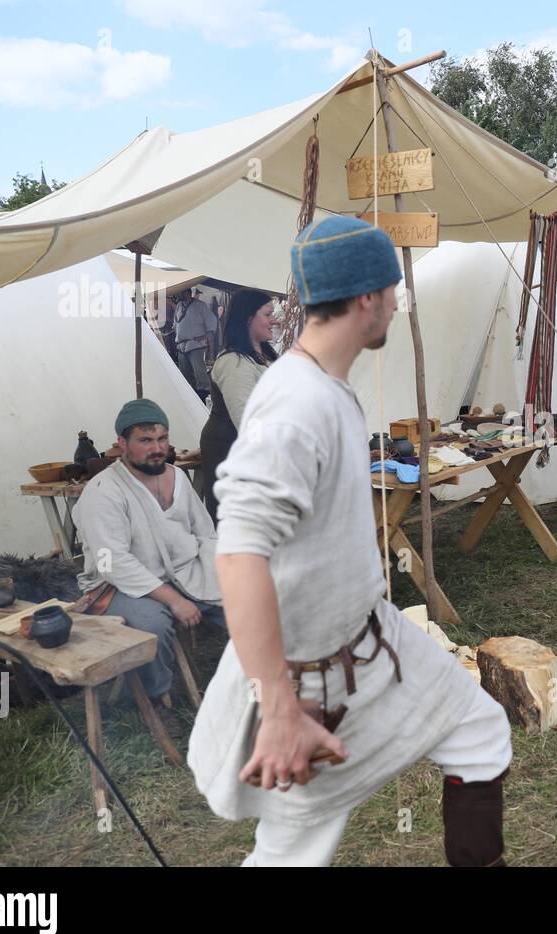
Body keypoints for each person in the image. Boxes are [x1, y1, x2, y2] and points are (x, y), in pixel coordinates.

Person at [188, 215, 512, 867]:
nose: (397, 301)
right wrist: (279, 710)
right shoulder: (294, 405)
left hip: (375, 642)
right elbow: (238, 551)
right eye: (392, 289)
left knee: (480, 732)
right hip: (312, 684)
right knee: (293, 849)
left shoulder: (325, 387)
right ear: (367, 298)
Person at [74, 399, 224, 706]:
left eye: (162, 439)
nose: (157, 448)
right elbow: (114, 562)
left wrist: (220, 573)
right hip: (121, 585)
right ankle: (154, 700)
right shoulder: (104, 492)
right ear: (122, 444)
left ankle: (259, 679)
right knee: (151, 626)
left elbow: (206, 534)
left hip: (185, 570)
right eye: (145, 440)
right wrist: (175, 600)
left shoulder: (177, 477)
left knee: (245, 601)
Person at [199, 290, 279, 522]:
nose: (275, 319)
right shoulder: (233, 363)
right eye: (268, 314)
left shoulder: (265, 356)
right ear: (248, 318)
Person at [175, 289, 219, 400]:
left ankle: (206, 400)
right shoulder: (179, 306)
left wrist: (210, 349)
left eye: (182, 292)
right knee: (186, 377)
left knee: (201, 376)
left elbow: (211, 325)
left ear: (188, 293)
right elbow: (176, 324)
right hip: (182, 346)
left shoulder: (201, 306)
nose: (179, 294)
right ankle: (191, 400)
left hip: (196, 345)